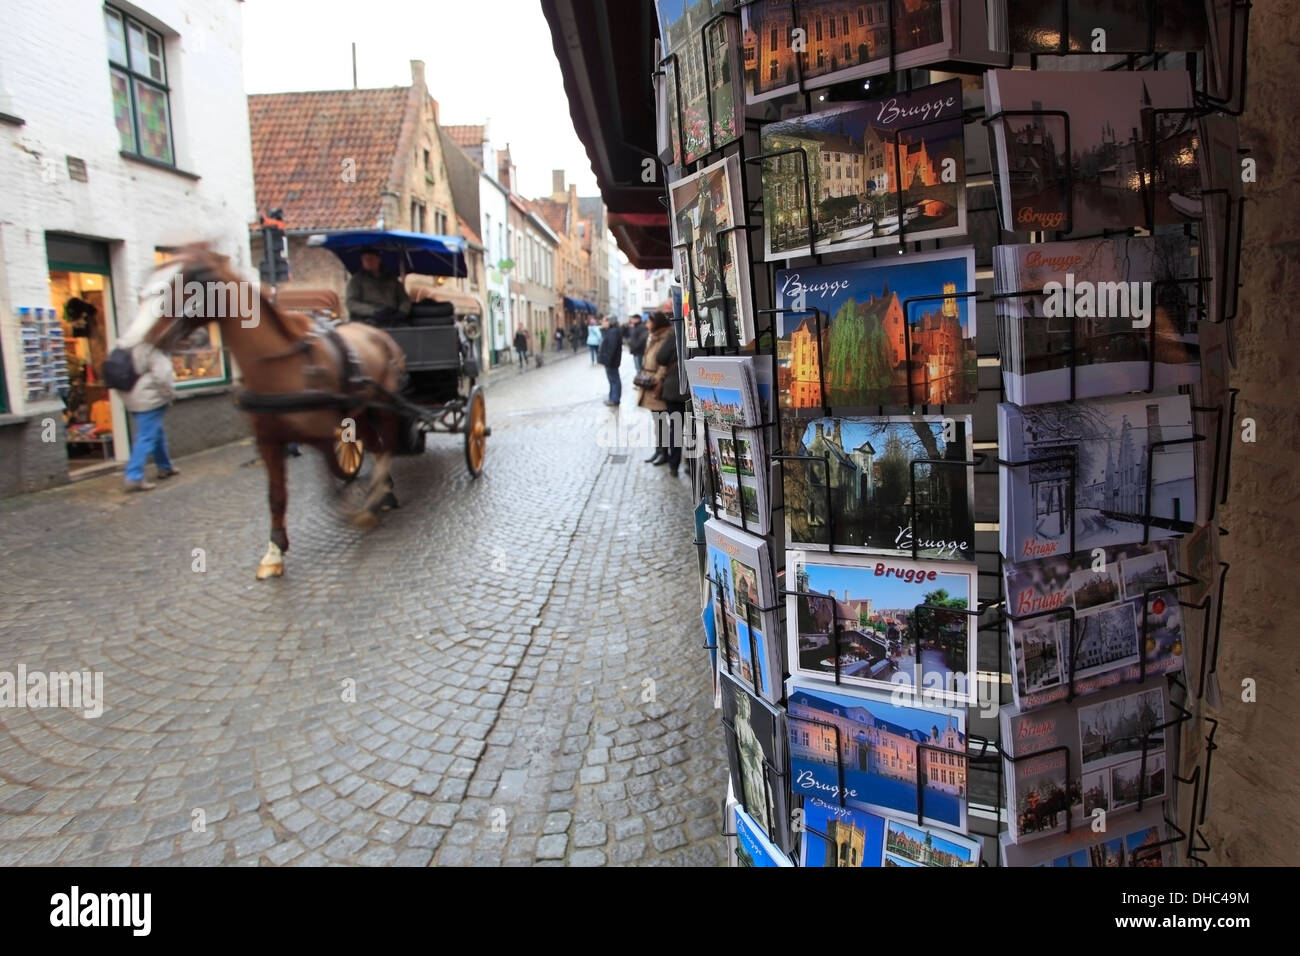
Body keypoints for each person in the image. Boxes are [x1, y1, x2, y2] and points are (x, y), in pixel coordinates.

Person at [122, 339, 178, 492]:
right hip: (149, 399)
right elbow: (163, 376)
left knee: (156, 432)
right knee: (146, 437)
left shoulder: (129, 347)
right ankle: (134, 476)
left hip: (131, 398)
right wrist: (170, 394)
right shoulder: (154, 350)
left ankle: (165, 466)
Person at [637, 313, 676, 471]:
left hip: (657, 384)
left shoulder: (664, 338)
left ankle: (664, 453)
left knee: (661, 422)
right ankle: (659, 450)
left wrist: (655, 379)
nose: (647, 325)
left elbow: (663, 364)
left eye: (649, 322)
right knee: (657, 420)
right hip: (650, 381)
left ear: (656, 323)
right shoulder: (654, 337)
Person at [652, 313, 688, 476]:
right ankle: (692, 464)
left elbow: (660, 358)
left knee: (676, 428)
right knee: (695, 427)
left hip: (674, 389)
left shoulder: (675, 334)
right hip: (694, 386)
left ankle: (674, 465)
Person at [345, 248, 411, 325]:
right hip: (365, 320)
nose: (367, 261)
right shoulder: (357, 280)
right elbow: (351, 303)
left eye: (371, 258)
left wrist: (402, 312)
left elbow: (404, 299)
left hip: (391, 319)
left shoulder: (391, 279)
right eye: (364, 259)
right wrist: (373, 311)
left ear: (378, 259)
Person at [597, 316, 624, 406]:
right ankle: (612, 397)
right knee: (612, 379)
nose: (602, 323)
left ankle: (614, 399)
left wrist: (607, 360)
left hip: (611, 361)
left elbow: (611, 348)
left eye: (604, 321)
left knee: (614, 380)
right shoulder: (611, 331)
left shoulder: (613, 332)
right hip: (611, 360)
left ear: (609, 322)